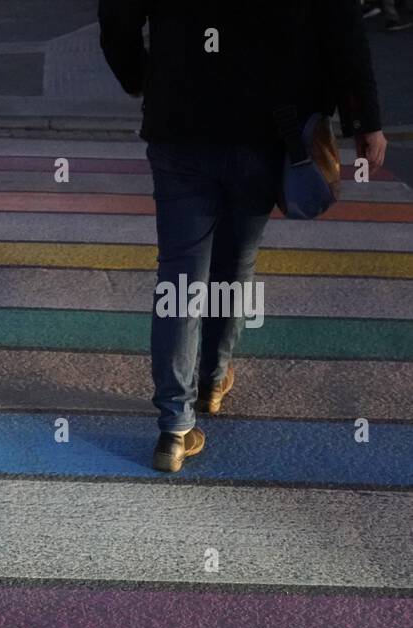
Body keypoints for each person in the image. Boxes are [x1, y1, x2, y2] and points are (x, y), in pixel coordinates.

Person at [99, 0, 385, 472]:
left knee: (180, 275)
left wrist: (141, 76)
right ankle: (212, 380)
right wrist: (366, 120)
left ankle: (173, 427)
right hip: (268, 126)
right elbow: (342, 27)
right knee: (235, 262)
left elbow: (117, 14)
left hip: (181, 121)